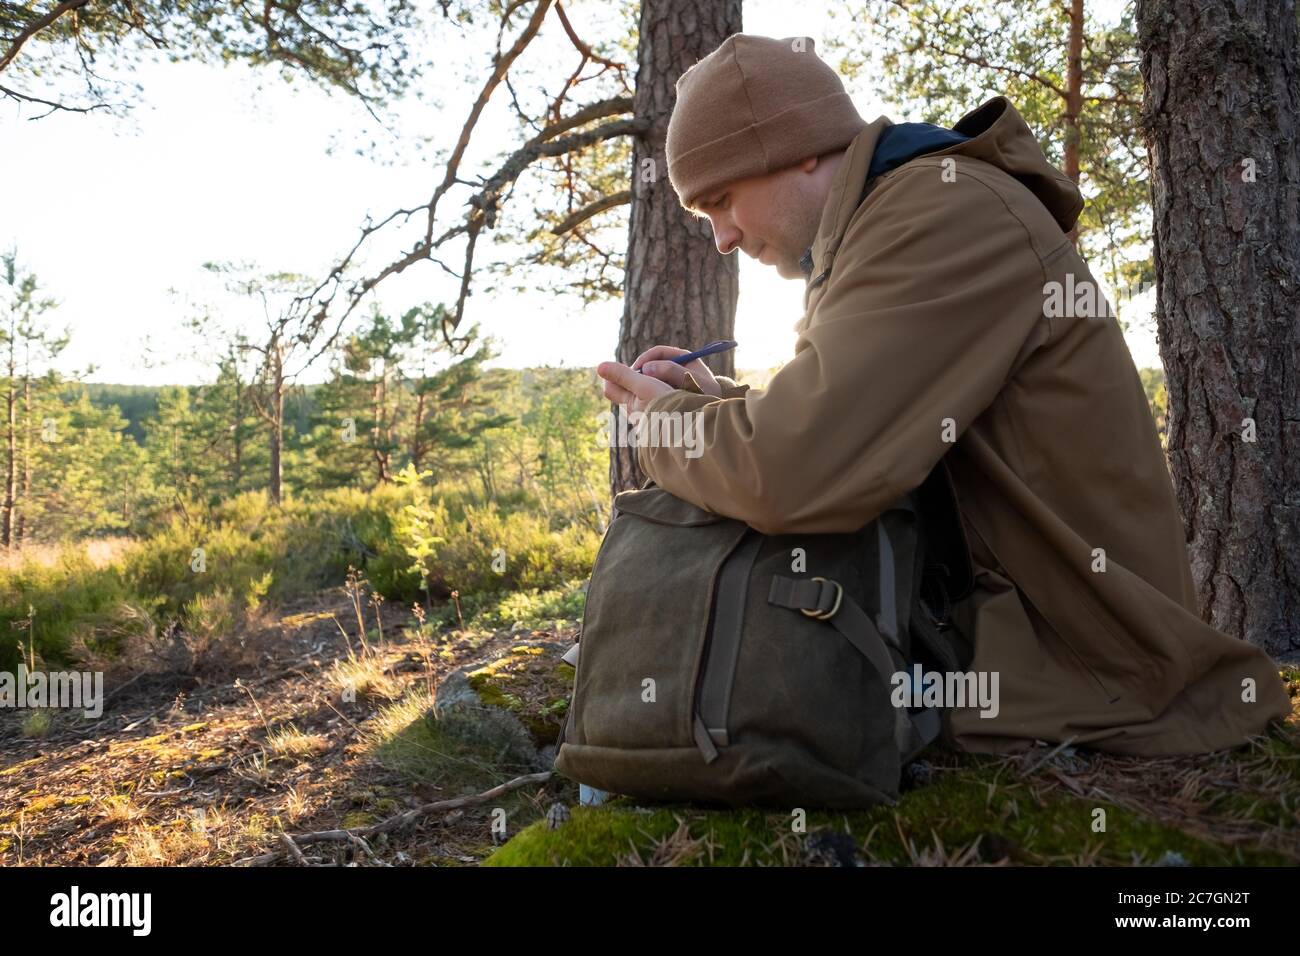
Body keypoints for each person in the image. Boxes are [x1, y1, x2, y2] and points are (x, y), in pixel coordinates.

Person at [595, 33, 1290, 757]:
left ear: (797, 147)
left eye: (721, 200)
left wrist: (660, 422)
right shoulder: (892, 220)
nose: (721, 239)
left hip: (1092, 668)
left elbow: (796, 469)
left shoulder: (937, 217)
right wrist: (713, 406)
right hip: (1005, 637)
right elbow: (853, 428)